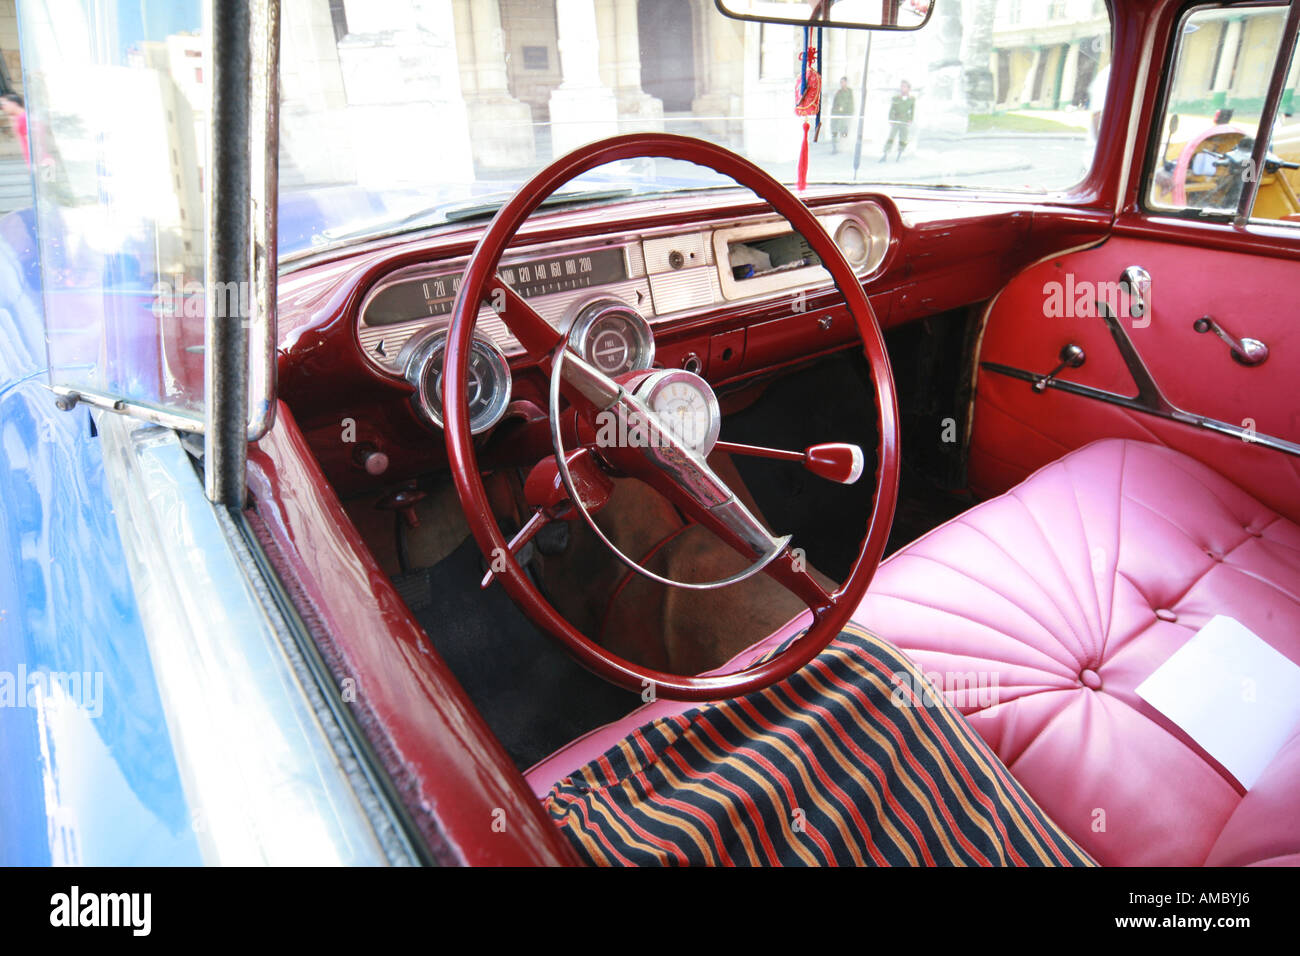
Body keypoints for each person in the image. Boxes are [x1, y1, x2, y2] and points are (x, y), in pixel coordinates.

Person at [880, 80, 914, 162]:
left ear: (908, 89)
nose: (902, 88)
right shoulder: (896, 98)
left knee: (903, 138)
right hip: (896, 120)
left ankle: (900, 154)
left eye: (904, 86)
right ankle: (885, 153)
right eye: (902, 86)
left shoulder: (911, 99)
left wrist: (910, 119)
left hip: (905, 121)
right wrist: (891, 119)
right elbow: (892, 109)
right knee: (891, 137)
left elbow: (912, 110)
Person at [1, 93, 28, 164]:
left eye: (4, 104)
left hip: (39, 162)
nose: (3, 107)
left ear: (13, 103)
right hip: (31, 160)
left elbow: (32, 142)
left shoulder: (23, 118)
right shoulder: (19, 118)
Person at [830, 77, 853, 154]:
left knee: (844, 132)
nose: (842, 84)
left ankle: (843, 146)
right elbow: (835, 104)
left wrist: (849, 114)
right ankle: (835, 147)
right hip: (837, 116)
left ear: (846, 83)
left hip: (845, 116)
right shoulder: (838, 93)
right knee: (835, 131)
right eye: (841, 82)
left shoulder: (849, 92)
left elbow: (851, 104)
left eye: (843, 82)